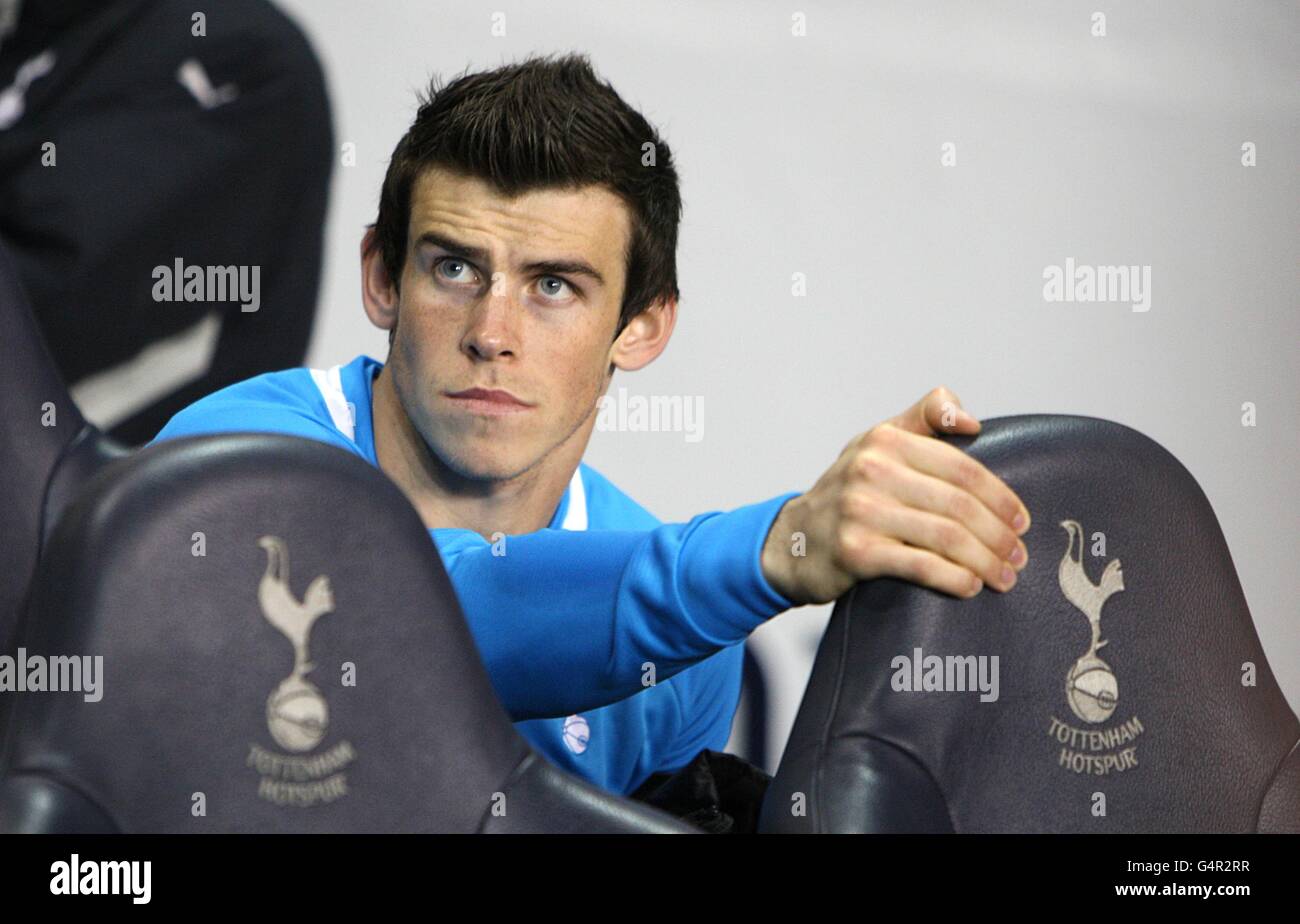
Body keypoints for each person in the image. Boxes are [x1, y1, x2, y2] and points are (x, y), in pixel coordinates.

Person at [150, 52, 1032, 798]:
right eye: (454, 267)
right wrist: (780, 547)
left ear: (642, 326)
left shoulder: (684, 650)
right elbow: (431, 613)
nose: (492, 334)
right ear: (382, 277)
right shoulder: (236, 458)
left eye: (553, 286)